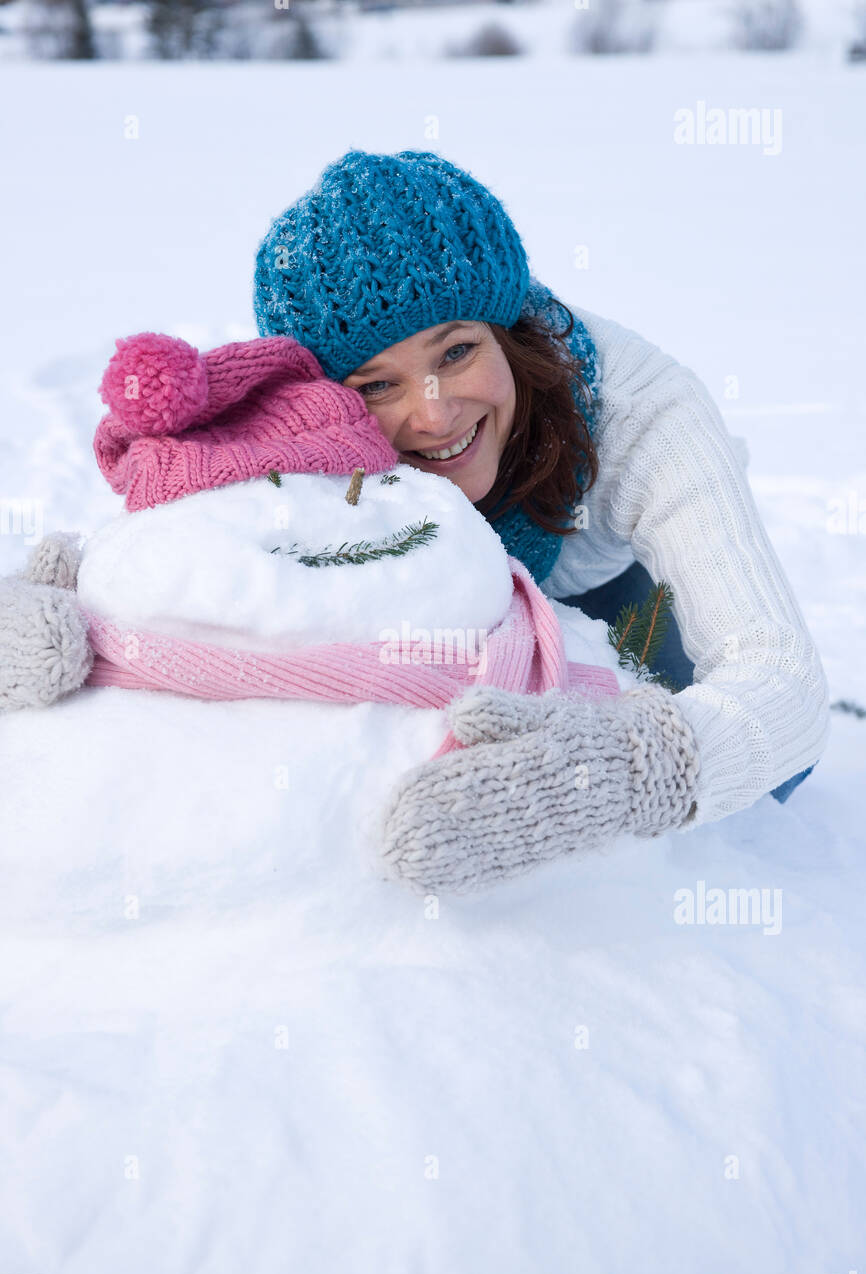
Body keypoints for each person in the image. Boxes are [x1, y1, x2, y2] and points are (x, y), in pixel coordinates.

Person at [0, 148, 829, 895]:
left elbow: (781, 684)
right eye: (376, 386)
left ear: (508, 330)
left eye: (456, 352)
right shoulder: (313, 426)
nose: (432, 417)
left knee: (755, 789)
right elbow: (206, 525)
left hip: (622, 592)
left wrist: (629, 771)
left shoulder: (645, 411)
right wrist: (75, 591)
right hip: (460, 607)